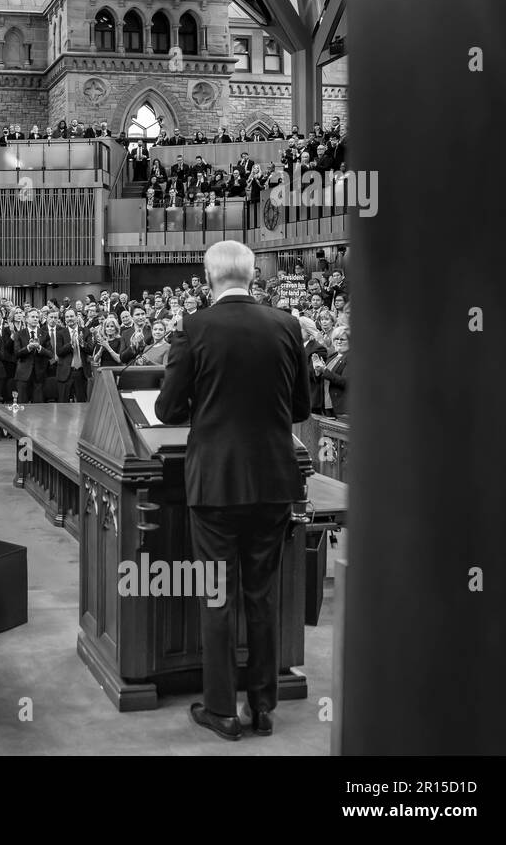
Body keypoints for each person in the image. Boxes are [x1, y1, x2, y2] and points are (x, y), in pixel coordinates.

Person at [155, 240, 311, 741]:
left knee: (216, 596)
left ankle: (221, 710)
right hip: (273, 480)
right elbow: (303, 408)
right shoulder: (287, 324)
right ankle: (264, 707)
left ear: (208, 277)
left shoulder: (195, 327)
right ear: (252, 277)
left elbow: (168, 411)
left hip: (217, 482)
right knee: (261, 596)